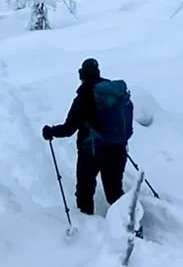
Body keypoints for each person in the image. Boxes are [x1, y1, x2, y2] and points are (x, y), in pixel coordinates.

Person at [42, 58, 134, 215]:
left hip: (91, 151)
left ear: (82, 75)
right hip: (117, 149)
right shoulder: (113, 92)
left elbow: (69, 128)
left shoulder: (83, 97)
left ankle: (88, 229)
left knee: (85, 190)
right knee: (114, 193)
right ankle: (131, 226)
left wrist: (50, 131)